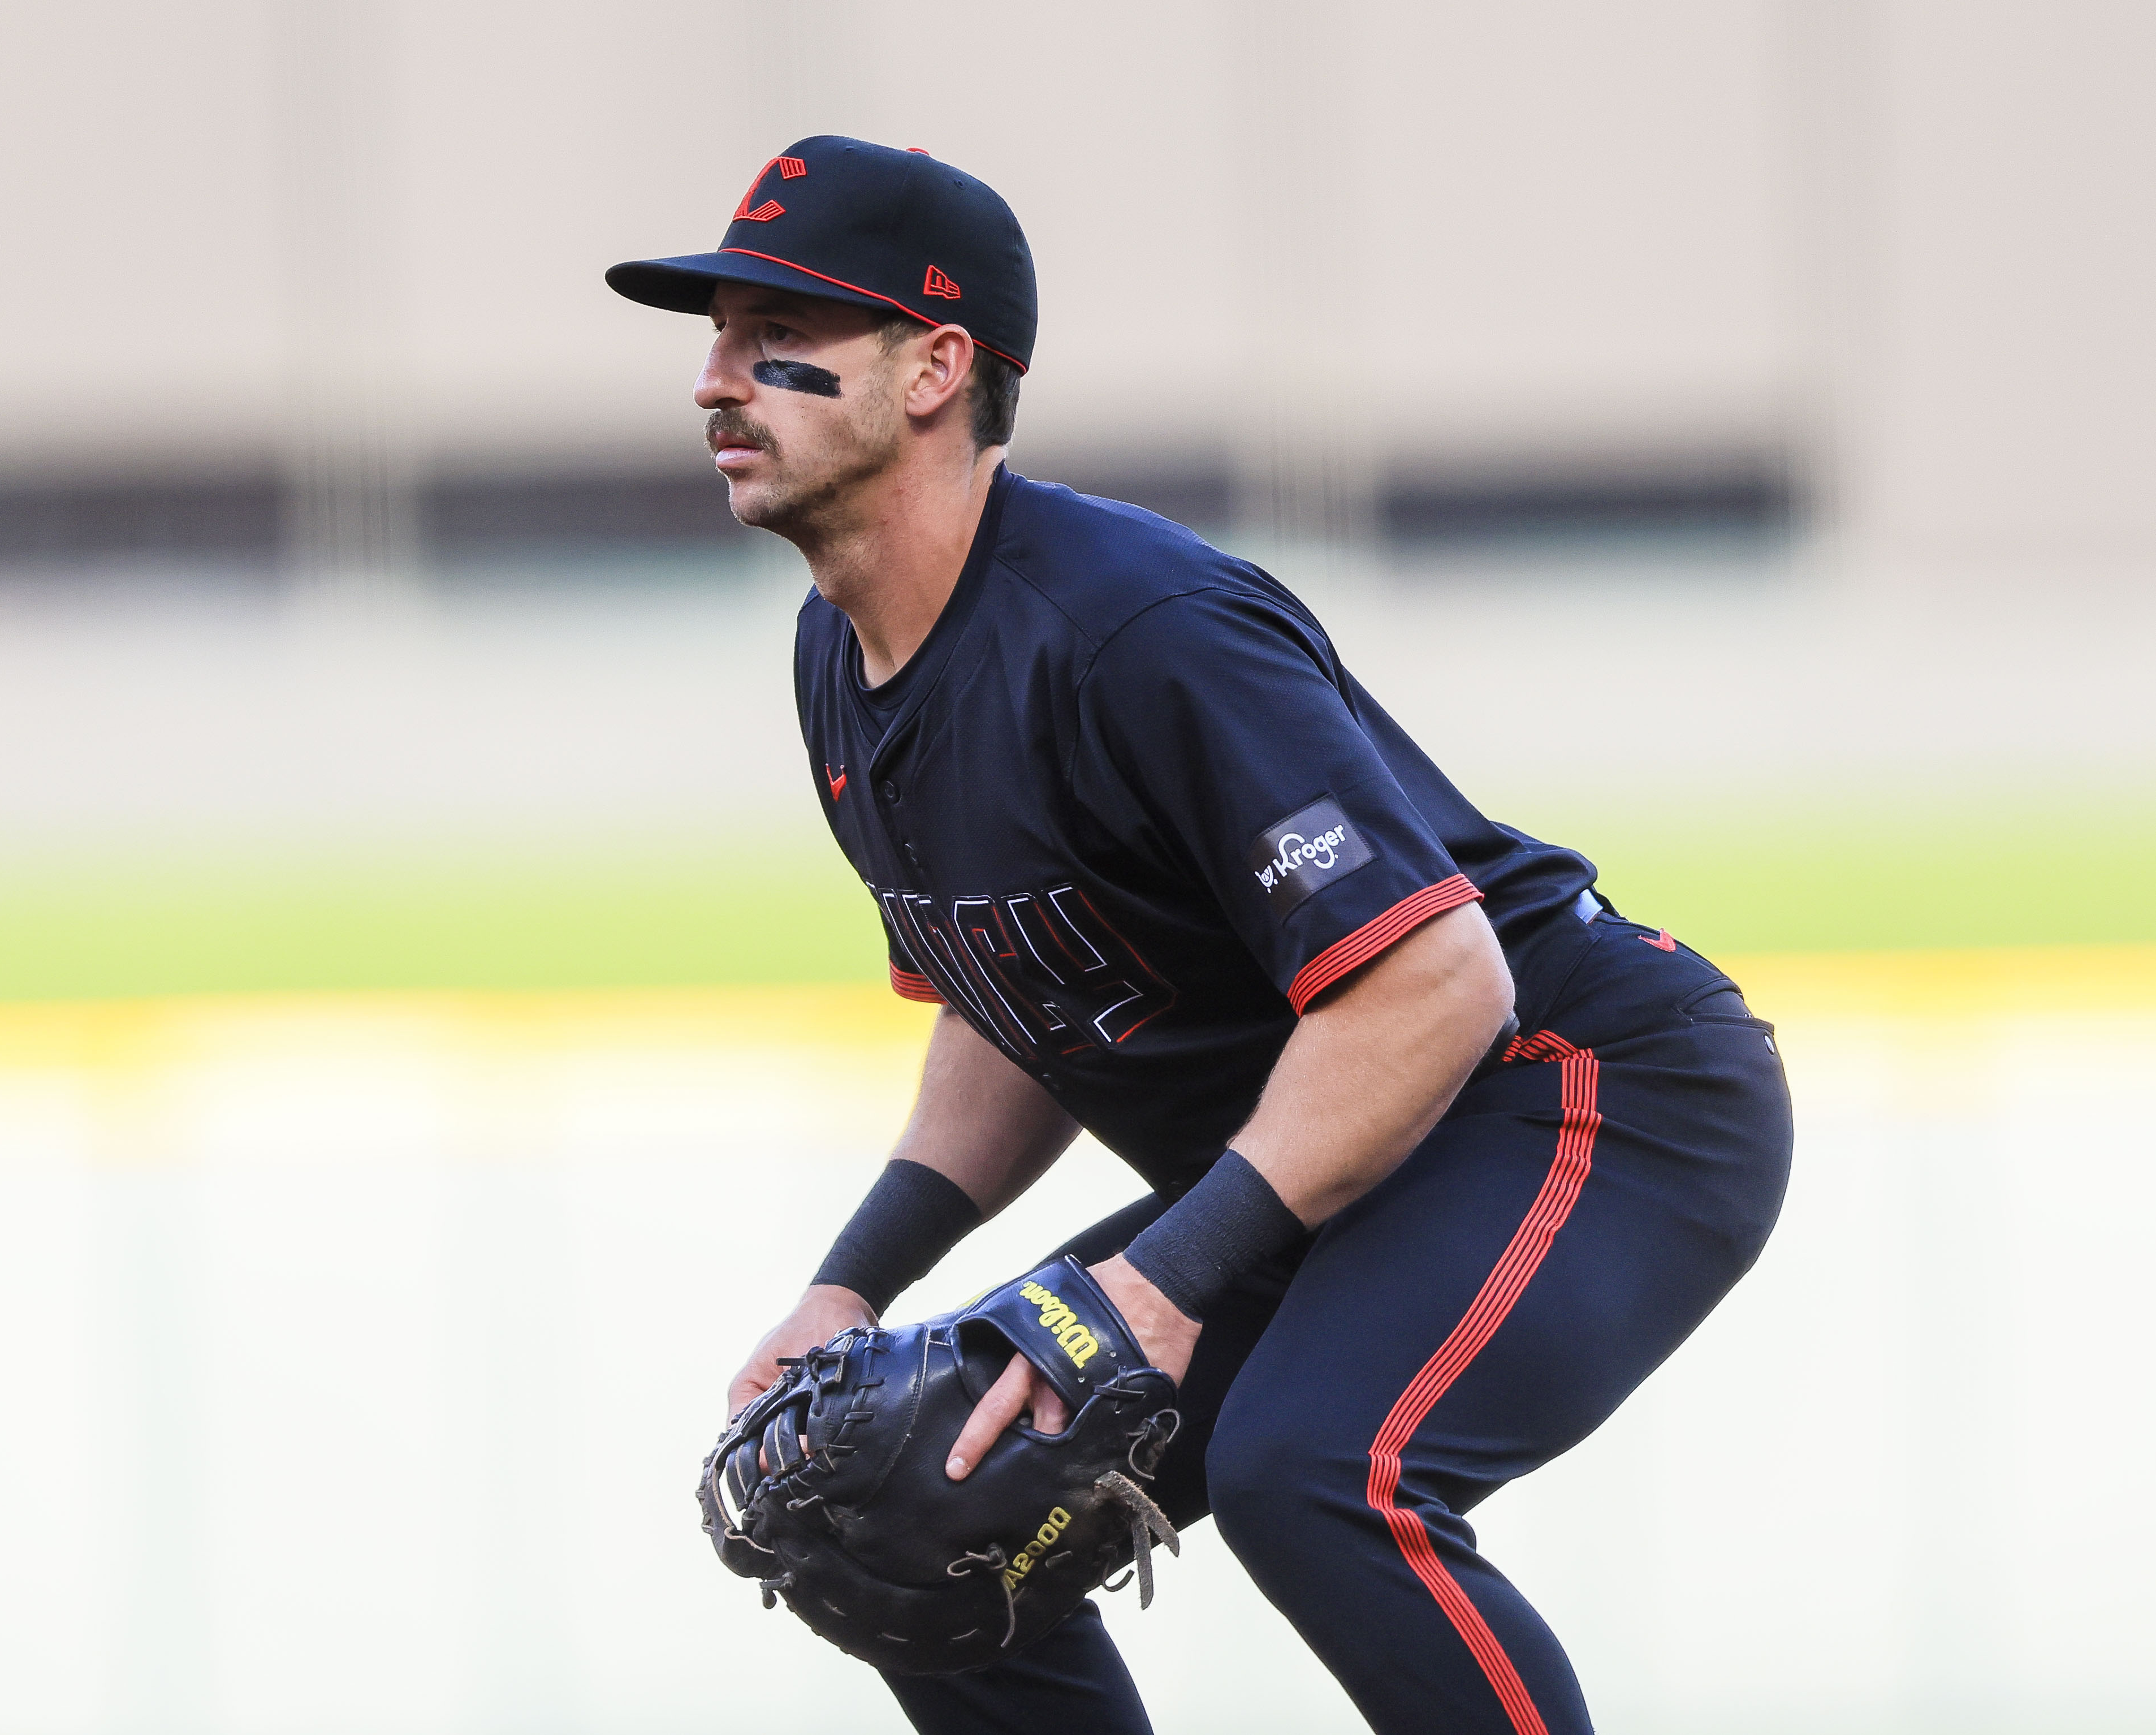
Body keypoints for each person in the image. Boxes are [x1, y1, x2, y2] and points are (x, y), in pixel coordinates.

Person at [607, 136, 1793, 1735]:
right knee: (905, 1510)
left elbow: (1438, 978)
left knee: (1315, 1465)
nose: (717, 382)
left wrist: (1163, 1281)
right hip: (1322, 1160)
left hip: (1578, 1088)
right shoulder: (846, 652)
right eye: (714, 339)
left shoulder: (1134, 631)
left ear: (938, 368)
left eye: (777, 339)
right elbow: (1016, 999)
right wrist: (852, 1283)